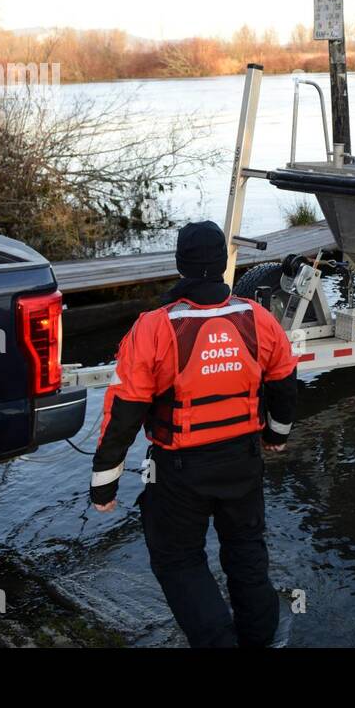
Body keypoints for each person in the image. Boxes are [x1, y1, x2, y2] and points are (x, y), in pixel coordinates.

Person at [90, 220, 299, 648]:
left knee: (178, 559)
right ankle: (261, 639)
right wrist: (277, 434)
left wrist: (104, 483)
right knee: (245, 550)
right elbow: (284, 378)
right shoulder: (256, 317)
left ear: (180, 265)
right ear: (222, 263)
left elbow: (124, 411)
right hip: (242, 461)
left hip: (180, 471)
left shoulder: (154, 327)